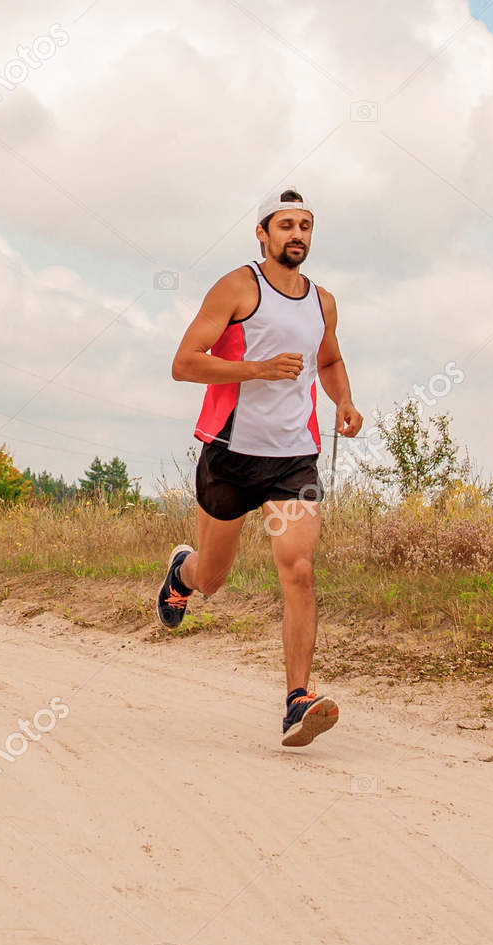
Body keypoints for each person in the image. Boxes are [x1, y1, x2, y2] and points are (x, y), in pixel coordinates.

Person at [158, 189, 363, 746]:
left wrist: (342, 399)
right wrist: (258, 369)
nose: (297, 235)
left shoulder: (323, 301)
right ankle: (183, 572)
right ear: (262, 233)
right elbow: (184, 364)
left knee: (297, 567)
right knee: (214, 581)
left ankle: (298, 701)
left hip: (294, 456)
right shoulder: (237, 288)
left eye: (306, 226)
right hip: (230, 453)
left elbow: (330, 358)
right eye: (286, 225)